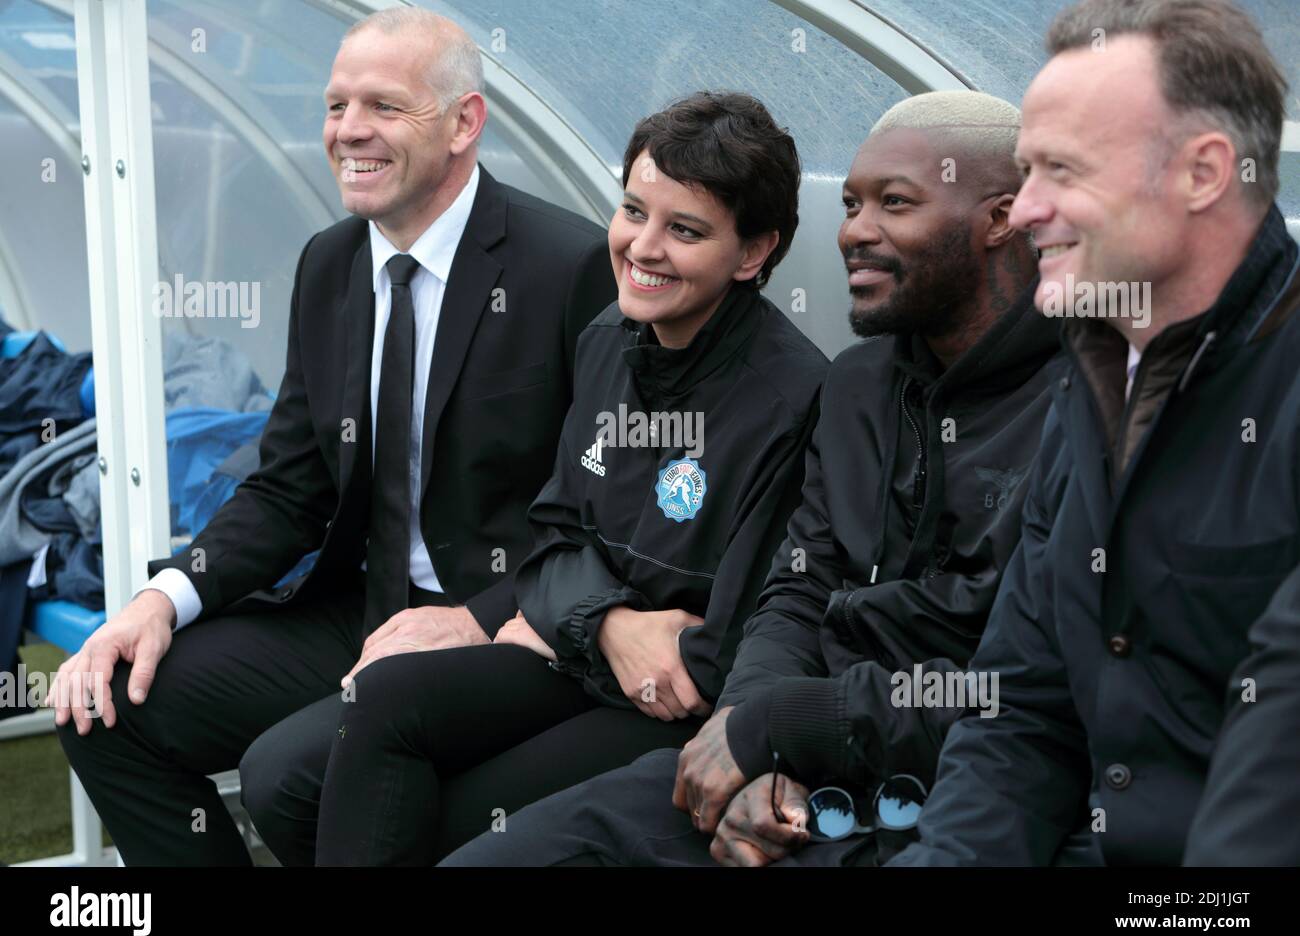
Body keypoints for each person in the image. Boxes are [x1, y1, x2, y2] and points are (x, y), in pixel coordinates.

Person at [46, 8, 616, 866]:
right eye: (335, 105)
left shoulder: (567, 265)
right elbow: (289, 487)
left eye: (385, 106)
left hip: (507, 629)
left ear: (465, 123)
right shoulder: (331, 264)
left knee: (289, 776)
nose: (349, 130)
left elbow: (607, 510)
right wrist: (159, 599)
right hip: (364, 607)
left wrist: (477, 616)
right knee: (103, 704)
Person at [443, 89, 1060, 867]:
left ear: (1001, 218)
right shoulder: (859, 386)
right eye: (850, 204)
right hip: (788, 757)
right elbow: (799, 589)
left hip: (954, 794)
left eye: (894, 204)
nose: (853, 234)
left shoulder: (1081, 410)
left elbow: (1015, 690)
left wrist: (781, 729)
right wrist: (743, 743)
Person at [301, 91, 828, 865]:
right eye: (633, 211)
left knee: (464, 820)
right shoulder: (609, 340)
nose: (642, 247)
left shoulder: (791, 402)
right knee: (377, 703)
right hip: (587, 655)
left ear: (751, 254)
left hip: (668, 708)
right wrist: (605, 622)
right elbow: (549, 541)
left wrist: (569, 621)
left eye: (684, 230)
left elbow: (721, 649)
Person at [891, 0, 1298, 867]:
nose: (1024, 209)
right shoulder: (1098, 371)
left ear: (1204, 172)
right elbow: (1022, 709)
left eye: (1062, 171)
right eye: (1026, 170)